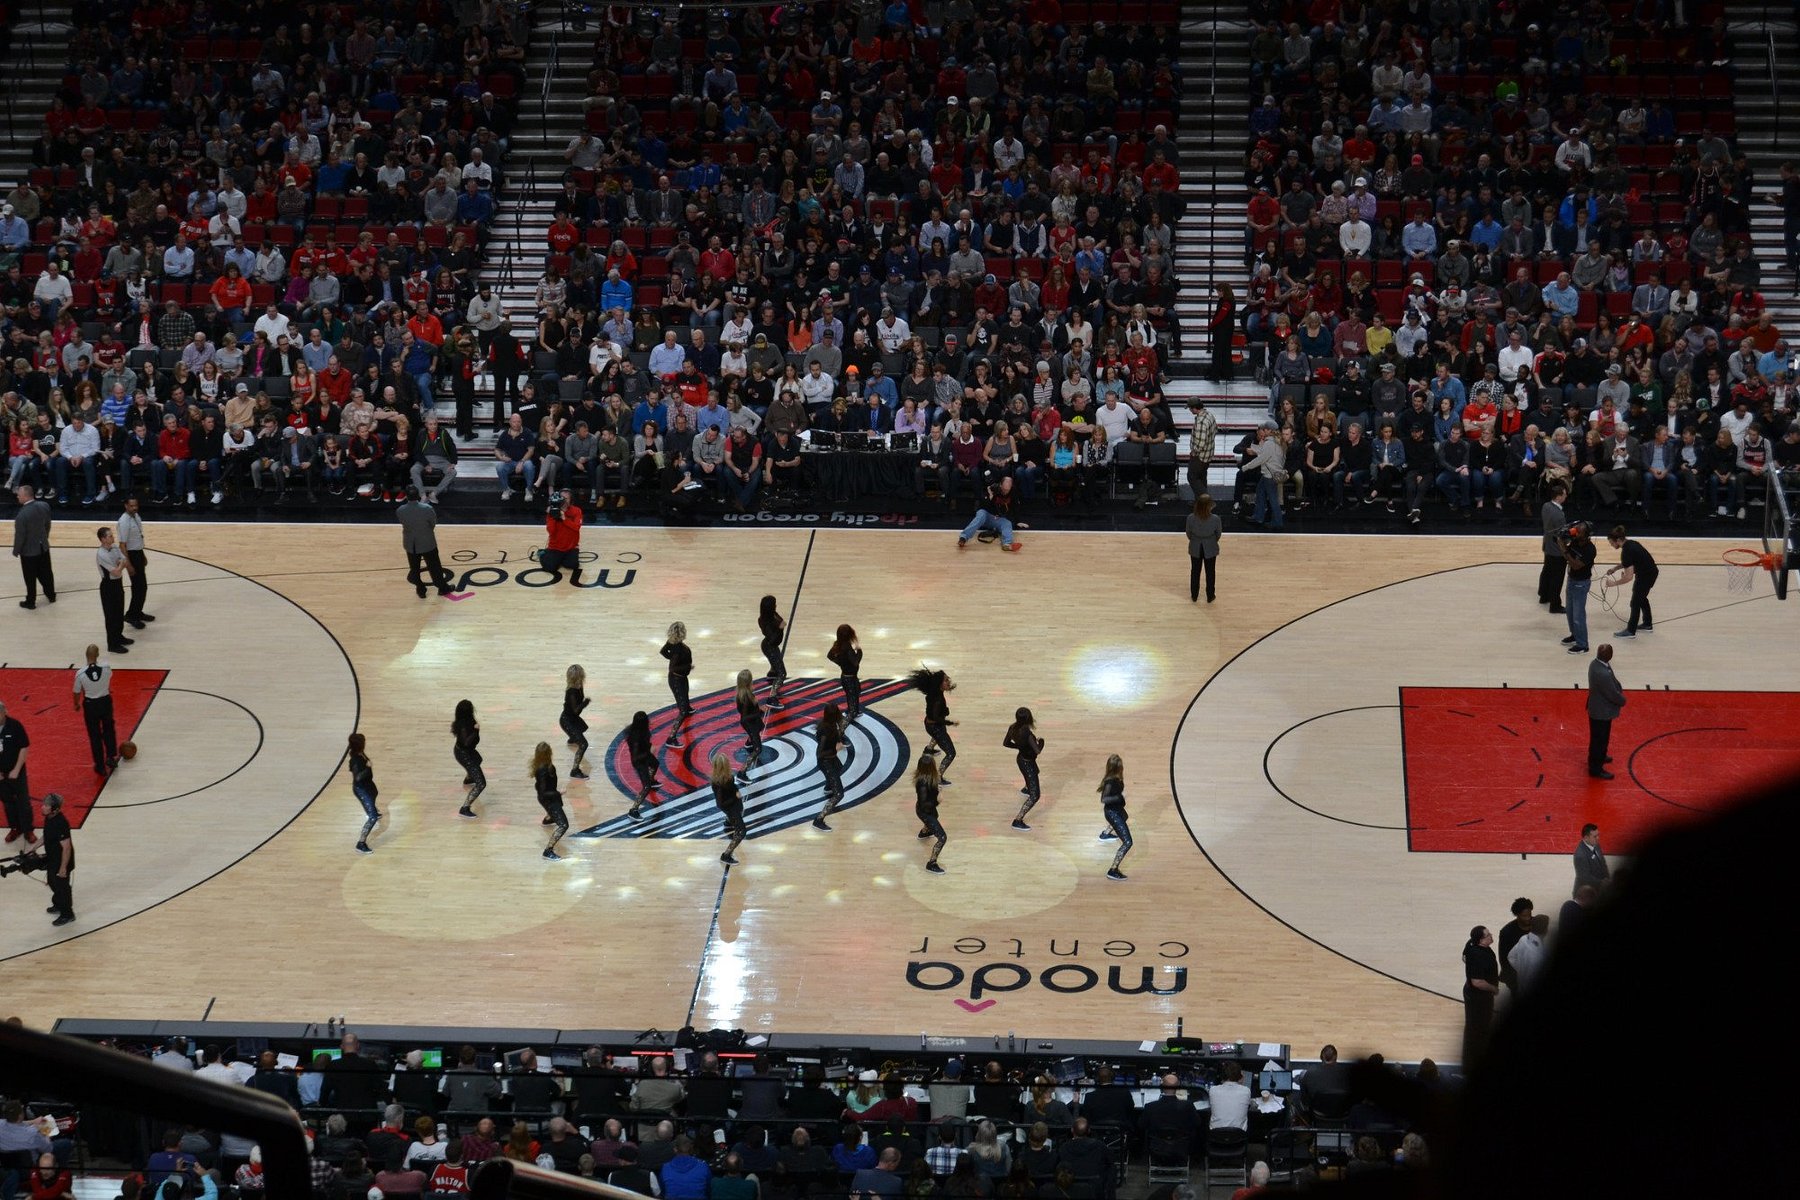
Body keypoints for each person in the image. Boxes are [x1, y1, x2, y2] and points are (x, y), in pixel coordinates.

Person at [397, 487, 455, 598]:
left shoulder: (400, 510)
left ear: (406, 496)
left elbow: (403, 522)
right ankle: (442, 588)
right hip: (427, 542)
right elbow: (432, 523)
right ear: (418, 495)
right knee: (435, 567)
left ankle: (421, 590)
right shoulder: (427, 509)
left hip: (411, 544)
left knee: (414, 569)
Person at [72, 644, 118, 775]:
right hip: (105, 702)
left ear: (86, 655)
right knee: (109, 729)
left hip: (91, 705)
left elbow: (76, 691)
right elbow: (107, 679)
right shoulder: (106, 668)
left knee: (94, 735)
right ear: (97, 655)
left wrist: (76, 704)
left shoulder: (80, 673)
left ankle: (100, 766)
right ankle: (111, 757)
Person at [1605, 527, 1659, 637]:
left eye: (1611, 543)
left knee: (1635, 602)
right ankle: (1647, 624)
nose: (1611, 545)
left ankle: (1630, 631)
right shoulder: (1631, 544)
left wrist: (1613, 584)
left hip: (1646, 576)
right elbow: (1628, 562)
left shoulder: (1626, 551)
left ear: (1618, 540)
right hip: (1649, 572)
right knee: (1641, 598)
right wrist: (1615, 569)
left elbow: (1628, 577)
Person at [906, 667, 957, 781]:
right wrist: (950, 722)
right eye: (946, 680)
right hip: (935, 726)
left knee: (939, 735)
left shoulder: (935, 693)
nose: (948, 681)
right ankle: (938, 777)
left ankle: (929, 749)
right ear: (940, 684)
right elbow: (935, 718)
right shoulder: (937, 699)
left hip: (932, 726)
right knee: (951, 753)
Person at [1461, 926, 1499, 1067]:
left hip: (1474, 994)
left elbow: (1464, 957)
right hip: (1478, 998)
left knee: (1476, 1026)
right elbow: (1477, 982)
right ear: (1481, 940)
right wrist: (1494, 989)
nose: (1491, 936)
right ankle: (1473, 1062)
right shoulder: (1478, 956)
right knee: (1477, 1028)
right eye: (1488, 935)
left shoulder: (1471, 944)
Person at [13, 484, 55, 609]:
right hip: (43, 547)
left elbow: (20, 536)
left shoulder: (21, 516)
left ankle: (30, 601)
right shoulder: (44, 505)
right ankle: (51, 595)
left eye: (19, 495)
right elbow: (47, 524)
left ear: (25, 496)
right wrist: (44, 538)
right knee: (47, 573)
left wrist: (16, 550)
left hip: (29, 552)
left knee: (30, 578)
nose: (17, 497)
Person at [1587, 645, 1625, 780]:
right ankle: (1596, 768)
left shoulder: (1595, 664)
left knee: (1599, 738)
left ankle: (1600, 757)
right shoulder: (1602, 673)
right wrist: (1622, 700)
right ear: (1608, 656)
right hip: (1601, 711)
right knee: (1599, 740)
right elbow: (1611, 693)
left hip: (1598, 708)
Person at [956, 475, 1023, 550]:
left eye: (1010, 483)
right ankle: (963, 538)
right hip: (986, 514)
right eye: (1006, 483)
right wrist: (990, 496)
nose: (1006, 491)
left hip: (996, 518)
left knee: (1007, 523)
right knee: (981, 514)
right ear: (1001, 485)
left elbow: (1016, 507)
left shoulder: (1013, 492)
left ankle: (1007, 544)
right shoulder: (993, 489)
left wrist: (1018, 521)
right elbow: (982, 505)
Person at [116, 495, 153, 628]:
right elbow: (122, 545)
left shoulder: (136, 516)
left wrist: (142, 555)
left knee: (142, 586)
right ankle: (131, 615)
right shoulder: (124, 521)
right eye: (131, 506)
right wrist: (128, 564)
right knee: (138, 587)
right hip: (131, 555)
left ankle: (138, 612)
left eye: (136, 505)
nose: (135, 508)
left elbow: (138, 538)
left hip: (138, 553)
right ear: (126, 506)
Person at [1004, 708, 1044, 829]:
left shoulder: (1012, 728)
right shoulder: (1028, 734)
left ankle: (1027, 788)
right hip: (1028, 763)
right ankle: (1018, 820)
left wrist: (1019, 747)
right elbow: (1037, 751)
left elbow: (1006, 743)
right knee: (1035, 796)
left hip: (1021, 759)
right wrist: (1042, 742)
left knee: (1034, 772)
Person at [1560, 523, 1597, 653]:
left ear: (1586, 535)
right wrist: (1562, 540)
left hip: (1581, 584)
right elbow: (1567, 555)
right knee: (1570, 612)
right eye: (1575, 530)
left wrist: (1564, 549)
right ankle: (1575, 635)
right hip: (1571, 580)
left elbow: (1575, 565)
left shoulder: (1590, 549)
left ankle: (1582, 645)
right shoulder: (1575, 542)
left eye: (1579, 532)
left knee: (1578, 615)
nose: (1575, 533)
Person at [0, 699, 32, 844]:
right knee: (7, 802)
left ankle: (28, 829)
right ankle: (15, 828)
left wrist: (17, 769)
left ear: (4, 712)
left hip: (16, 772)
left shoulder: (15, 726)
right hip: (1, 775)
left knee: (23, 801)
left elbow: (24, 747)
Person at [812, 703, 848, 830]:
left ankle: (828, 787)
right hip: (825, 761)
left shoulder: (830, 725)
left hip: (831, 759)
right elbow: (820, 753)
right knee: (839, 794)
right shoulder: (826, 730)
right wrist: (836, 748)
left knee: (839, 767)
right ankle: (818, 820)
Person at [95, 526, 130, 654]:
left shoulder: (114, 547)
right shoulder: (101, 554)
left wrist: (120, 564)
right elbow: (116, 572)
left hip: (118, 584)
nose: (113, 537)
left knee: (119, 612)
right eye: (110, 536)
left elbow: (124, 560)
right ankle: (113, 644)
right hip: (108, 587)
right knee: (111, 616)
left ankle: (119, 636)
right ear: (103, 539)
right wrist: (120, 564)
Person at [531, 741, 569, 860]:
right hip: (549, 800)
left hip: (547, 798)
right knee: (563, 825)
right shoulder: (544, 769)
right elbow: (543, 792)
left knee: (556, 812)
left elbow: (538, 786)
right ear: (549, 753)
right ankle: (548, 851)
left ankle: (548, 819)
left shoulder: (541, 766)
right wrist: (558, 793)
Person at [659, 622, 694, 748]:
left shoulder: (671, 643)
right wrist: (688, 667)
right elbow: (673, 669)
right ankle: (671, 738)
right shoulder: (681, 650)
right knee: (682, 710)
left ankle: (687, 708)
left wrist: (673, 659)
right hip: (677, 680)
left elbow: (663, 652)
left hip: (679, 678)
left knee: (685, 694)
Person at [1098, 754, 1131, 880]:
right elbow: (1104, 799)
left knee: (1125, 815)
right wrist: (1120, 797)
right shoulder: (1110, 782)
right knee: (1127, 842)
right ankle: (1113, 870)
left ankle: (1106, 834)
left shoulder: (1117, 779)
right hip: (1112, 813)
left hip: (1117, 810)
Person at [540, 490, 584, 583]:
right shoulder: (552, 512)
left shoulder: (577, 510)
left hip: (571, 547)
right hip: (555, 547)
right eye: (562, 498)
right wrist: (552, 516)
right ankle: (542, 553)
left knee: (573, 565)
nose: (563, 500)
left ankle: (561, 558)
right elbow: (551, 531)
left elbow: (577, 527)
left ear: (571, 500)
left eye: (566, 498)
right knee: (549, 568)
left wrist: (564, 518)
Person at [1185, 494, 1222, 603]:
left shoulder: (1190, 518)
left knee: (1195, 571)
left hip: (1195, 546)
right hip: (1210, 547)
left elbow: (1188, 533)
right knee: (1210, 572)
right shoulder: (1215, 519)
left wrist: (1195, 539)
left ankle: (1194, 595)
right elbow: (1218, 534)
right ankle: (1210, 595)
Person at [712, 754, 747, 865]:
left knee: (738, 816)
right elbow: (720, 804)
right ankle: (726, 855)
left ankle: (728, 823)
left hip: (735, 806)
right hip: (730, 809)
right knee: (741, 832)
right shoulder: (718, 783)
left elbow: (732, 788)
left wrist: (736, 792)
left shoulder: (729, 777)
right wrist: (735, 797)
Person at [348, 732, 381, 853]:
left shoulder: (359, 753)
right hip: (362, 790)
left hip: (368, 786)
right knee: (372, 817)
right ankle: (360, 843)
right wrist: (368, 767)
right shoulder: (355, 760)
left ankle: (372, 809)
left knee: (375, 793)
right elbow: (357, 777)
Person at [1538, 482, 1568, 611]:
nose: (1566, 496)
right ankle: (1555, 605)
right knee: (1557, 577)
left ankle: (1544, 596)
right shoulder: (1559, 515)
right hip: (1557, 550)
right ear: (1558, 496)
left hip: (1547, 545)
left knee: (1547, 571)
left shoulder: (1546, 506)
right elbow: (1562, 535)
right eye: (1564, 494)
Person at [914, 754, 946, 874]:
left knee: (936, 817)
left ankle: (924, 832)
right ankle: (931, 863)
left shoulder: (929, 777)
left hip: (926, 810)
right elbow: (925, 806)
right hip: (924, 812)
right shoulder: (922, 784)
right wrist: (938, 800)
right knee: (942, 838)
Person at [452, 699, 485, 816]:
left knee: (478, 759)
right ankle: (465, 808)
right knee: (481, 784)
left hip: (465, 752)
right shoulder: (464, 726)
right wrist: (476, 731)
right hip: (464, 755)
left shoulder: (467, 721)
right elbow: (467, 742)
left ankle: (469, 779)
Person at [757, 595, 788, 709]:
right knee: (782, 673)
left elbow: (780, 620)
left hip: (770, 646)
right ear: (770, 608)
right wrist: (780, 628)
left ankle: (772, 674)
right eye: (774, 605)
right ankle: (772, 698)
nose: (776, 606)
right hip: (770, 647)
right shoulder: (765, 622)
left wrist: (780, 624)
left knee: (776, 663)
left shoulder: (771, 615)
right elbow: (774, 639)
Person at [733, 670, 765, 781]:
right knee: (758, 750)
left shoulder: (742, 694)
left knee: (756, 733)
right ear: (748, 682)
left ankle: (748, 743)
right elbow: (745, 718)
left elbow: (744, 712)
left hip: (751, 724)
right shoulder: (746, 697)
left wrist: (758, 710)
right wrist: (759, 712)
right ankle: (741, 773)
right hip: (750, 725)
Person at [625, 711, 657, 819]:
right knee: (646, 787)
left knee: (655, 763)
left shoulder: (641, 730)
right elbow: (636, 757)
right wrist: (649, 751)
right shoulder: (636, 737)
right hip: (639, 761)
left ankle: (651, 780)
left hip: (645, 754)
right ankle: (633, 810)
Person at [827, 624, 863, 718]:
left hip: (845, 676)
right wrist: (859, 651)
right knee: (853, 696)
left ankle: (853, 711)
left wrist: (840, 663)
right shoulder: (847, 647)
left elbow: (830, 656)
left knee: (852, 695)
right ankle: (852, 714)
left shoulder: (838, 644)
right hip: (850, 678)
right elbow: (855, 662)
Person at [561, 664, 591, 778]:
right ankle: (574, 770)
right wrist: (585, 703)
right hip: (567, 720)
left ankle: (572, 738)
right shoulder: (571, 692)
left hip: (571, 718)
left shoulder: (579, 686)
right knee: (583, 744)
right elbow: (576, 711)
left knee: (582, 728)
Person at [1574, 821, 1611, 894]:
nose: (1598, 838)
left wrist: (1608, 879)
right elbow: (1585, 877)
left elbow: (1603, 863)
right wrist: (1602, 883)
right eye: (1595, 836)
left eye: (1598, 835)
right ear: (1586, 838)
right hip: (1586, 893)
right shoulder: (1580, 855)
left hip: (1600, 888)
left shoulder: (1595, 844)